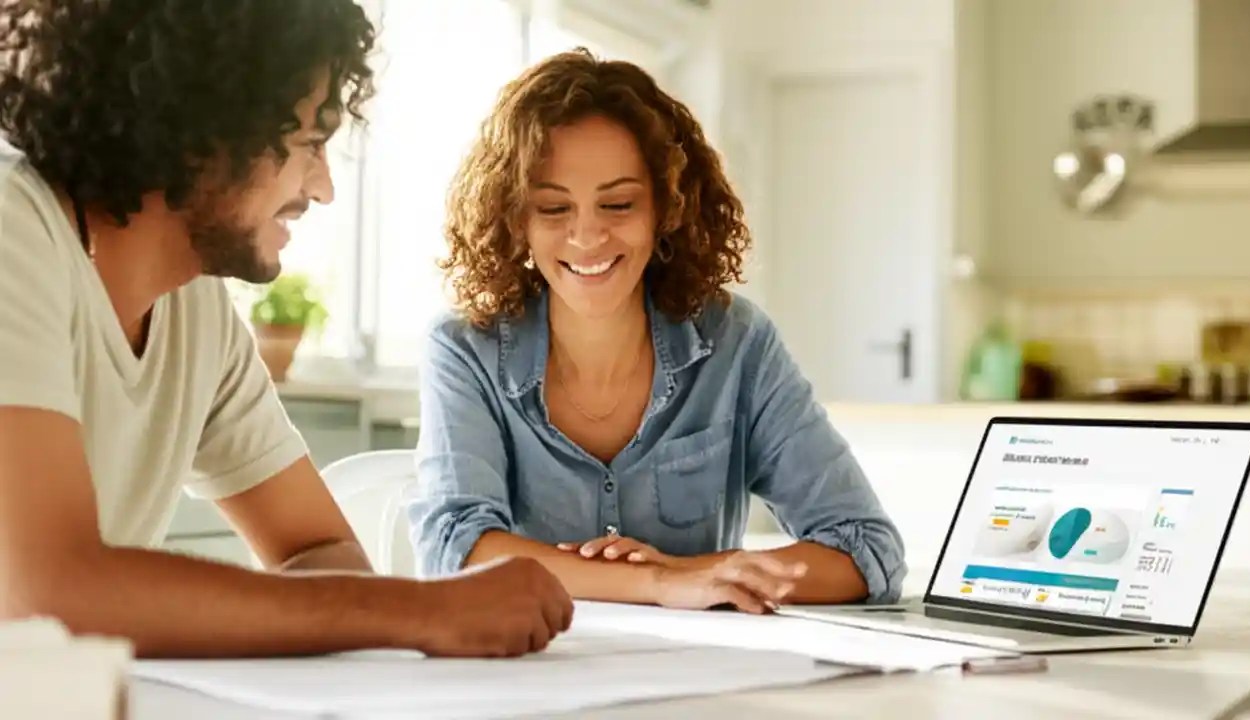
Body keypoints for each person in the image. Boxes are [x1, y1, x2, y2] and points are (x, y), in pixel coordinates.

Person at [0, 0, 571, 658]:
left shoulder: (197, 310)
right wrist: (421, 608)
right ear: (199, 126)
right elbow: (43, 594)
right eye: (307, 145)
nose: (323, 188)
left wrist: (394, 611)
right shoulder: (17, 231)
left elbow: (322, 554)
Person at [411, 48, 906, 613]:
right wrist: (657, 585)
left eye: (618, 203)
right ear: (515, 217)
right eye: (552, 209)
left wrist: (693, 570)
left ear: (667, 207)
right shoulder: (463, 350)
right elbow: (454, 549)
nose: (588, 236)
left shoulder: (736, 342)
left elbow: (867, 551)